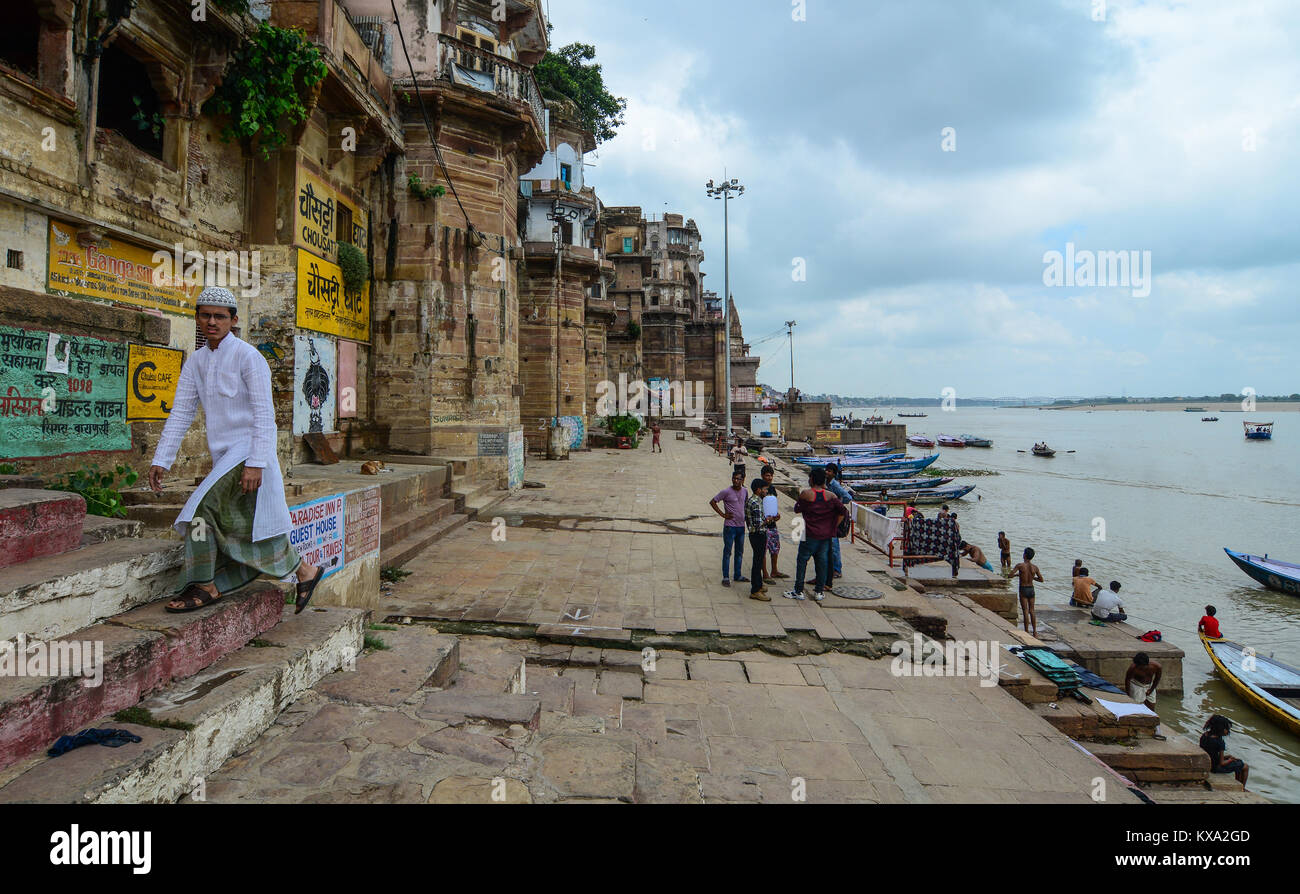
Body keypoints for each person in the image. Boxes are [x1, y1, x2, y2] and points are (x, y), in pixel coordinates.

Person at [149, 287, 323, 614]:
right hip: (224, 458)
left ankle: (204, 585)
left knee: (200, 512)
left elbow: (264, 414)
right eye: (205, 315)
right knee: (247, 525)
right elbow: (182, 412)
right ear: (197, 317)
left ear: (233, 320)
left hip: (249, 452)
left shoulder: (248, 357)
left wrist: (256, 463)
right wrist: (162, 458)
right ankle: (305, 571)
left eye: (219, 316)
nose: (211, 321)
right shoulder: (197, 362)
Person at [785, 467, 845, 603]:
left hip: (810, 534)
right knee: (822, 563)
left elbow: (797, 509)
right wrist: (833, 526)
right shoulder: (831, 496)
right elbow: (843, 512)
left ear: (811, 478)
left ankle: (798, 590)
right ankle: (819, 591)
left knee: (802, 561)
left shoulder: (806, 494)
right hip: (825, 536)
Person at [710, 472, 749, 587]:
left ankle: (738, 574)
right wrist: (723, 514)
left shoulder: (745, 491)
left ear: (742, 480)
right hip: (730, 526)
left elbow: (745, 504)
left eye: (738, 479)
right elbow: (713, 501)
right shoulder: (726, 492)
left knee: (739, 552)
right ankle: (726, 577)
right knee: (727, 552)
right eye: (734, 478)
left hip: (741, 527)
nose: (736, 481)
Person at [823, 463, 855, 588]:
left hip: (834, 516)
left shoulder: (834, 485)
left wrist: (838, 504)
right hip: (827, 516)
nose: (827, 472)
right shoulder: (826, 483)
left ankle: (837, 569)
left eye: (829, 471)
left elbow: (847, 497)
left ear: (834, 474)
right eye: (826, 470)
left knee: (834, 543)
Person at [1199, 715, 1249, 789]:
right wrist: (1230, 760)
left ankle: (1239, 784)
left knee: (1238, 764)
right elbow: (1222, 763)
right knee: (1245, 766)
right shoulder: (1220, 741)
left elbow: (1211, 754)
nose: (1228, 731)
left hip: (1207, 764)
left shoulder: (1204, 736)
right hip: (1215, 768)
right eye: (1227, 729)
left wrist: (1227, 757)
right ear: (1221, 729)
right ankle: (1242, 788)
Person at [745, 479, 772, 602]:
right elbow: (758, 524)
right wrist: (769, 520)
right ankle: (755, 590)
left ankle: (759, 584)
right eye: (765, 489)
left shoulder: (757, 500)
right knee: (757, 562)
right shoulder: (755, 502)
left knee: (759, 560)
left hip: (757, 534)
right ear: (758, 490)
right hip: (757, 534)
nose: (766, 491)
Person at [761, 466, 786, 582]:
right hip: (763, 524)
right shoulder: (760, 489)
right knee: (763, 549)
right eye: (767, 475)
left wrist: (776, 515)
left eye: (771, 475)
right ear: (762, 476)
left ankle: (774, 570)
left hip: (773, 524)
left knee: (775, 547)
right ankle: (765, 573)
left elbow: (773, 504)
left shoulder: (773, 489)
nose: (769, 478)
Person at [1012, 548, 1044, 637]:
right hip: (1031, 589)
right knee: (1032, 611)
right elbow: (1041, 579)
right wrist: (1032, 577)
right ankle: (1035, 632)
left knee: (1025, 610)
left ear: (1024, 555)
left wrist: (1017, 575)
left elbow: (1010, 575)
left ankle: (1026, 632)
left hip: (1023, 589)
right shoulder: (1035, 567)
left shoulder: (1020, 565)